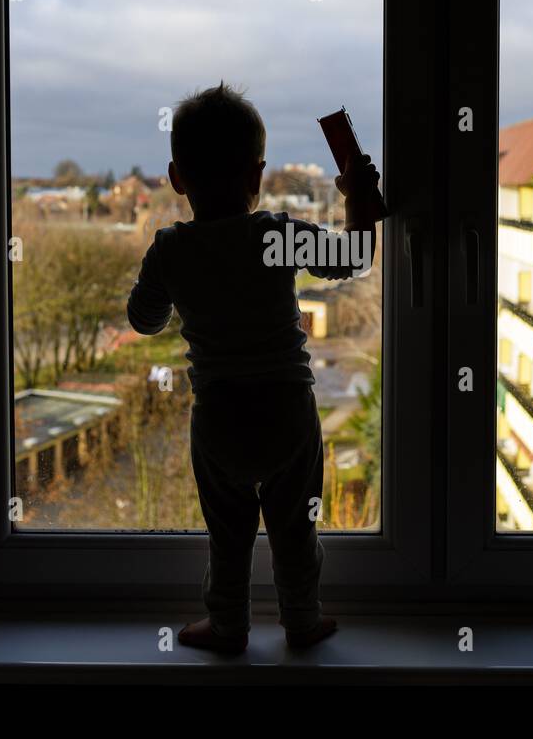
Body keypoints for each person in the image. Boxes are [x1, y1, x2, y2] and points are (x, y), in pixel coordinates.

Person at [126, 81, 382, 653]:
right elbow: (355, 257)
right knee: (296, 528)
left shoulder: (170, 248)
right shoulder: (274, 235)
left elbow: (143, 320)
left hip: (217, 414)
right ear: (257, 175)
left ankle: (227, 625)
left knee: (228, 532)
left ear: (176, 178)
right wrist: (357, 196)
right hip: (287, 410)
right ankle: (302, 620)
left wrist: (164, 289)